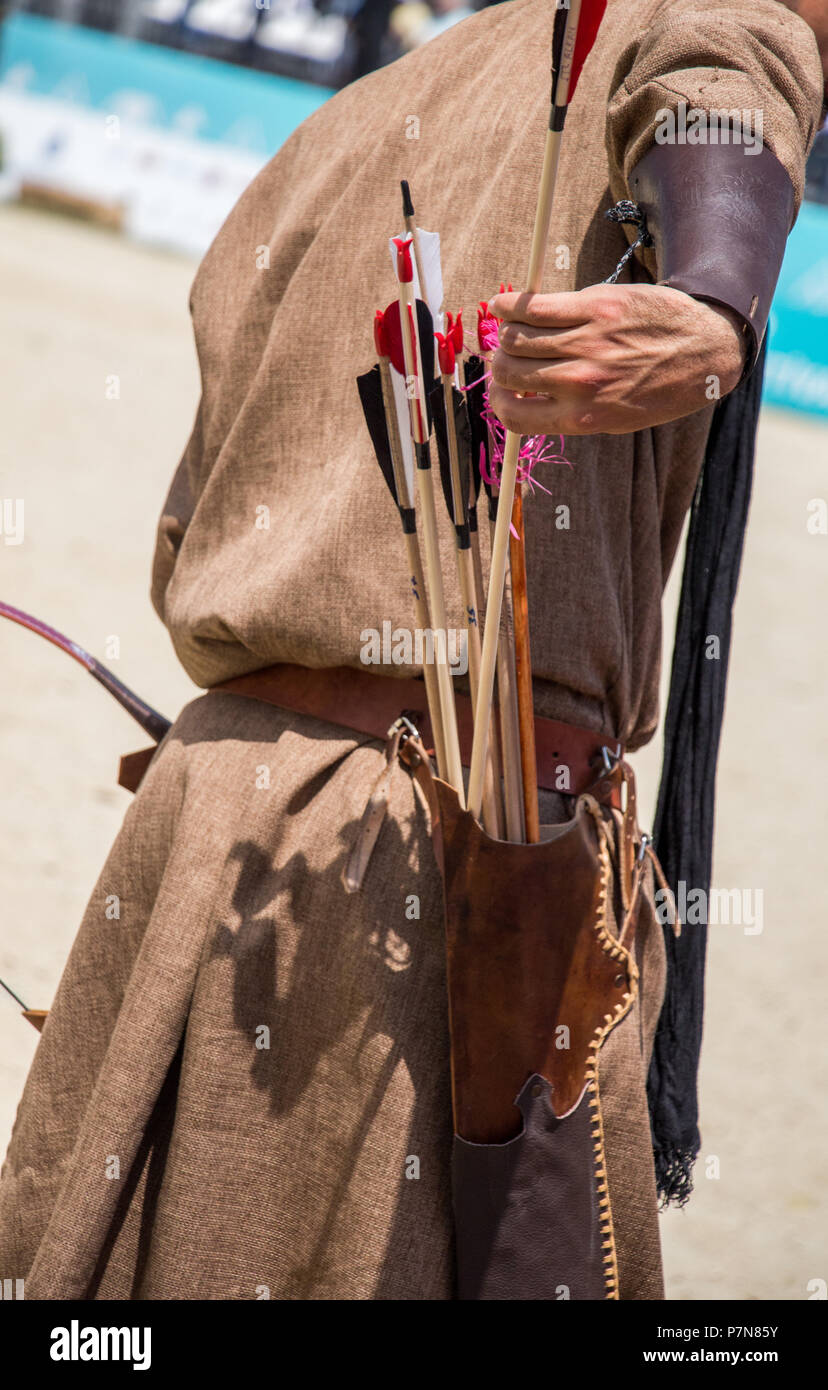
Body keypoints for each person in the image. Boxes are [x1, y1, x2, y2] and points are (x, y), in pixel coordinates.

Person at [0, 0, 821, 1300]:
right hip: (449, 853)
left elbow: (195, 507)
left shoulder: (348, 115)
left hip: (215, 824)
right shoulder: (712, 16)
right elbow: (724, 84)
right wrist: (717, 300)